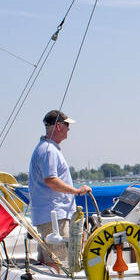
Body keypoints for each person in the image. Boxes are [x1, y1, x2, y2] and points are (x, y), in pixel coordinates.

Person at [29, 109, 89, 260]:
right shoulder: (49, 150)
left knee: (50, 260)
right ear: (58, 126)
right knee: (60, 261)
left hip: (49, 216)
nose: (69, 129)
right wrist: (76, 191)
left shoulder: (46, 148)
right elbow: (50, 180)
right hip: (54, 216)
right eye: (67, 125)